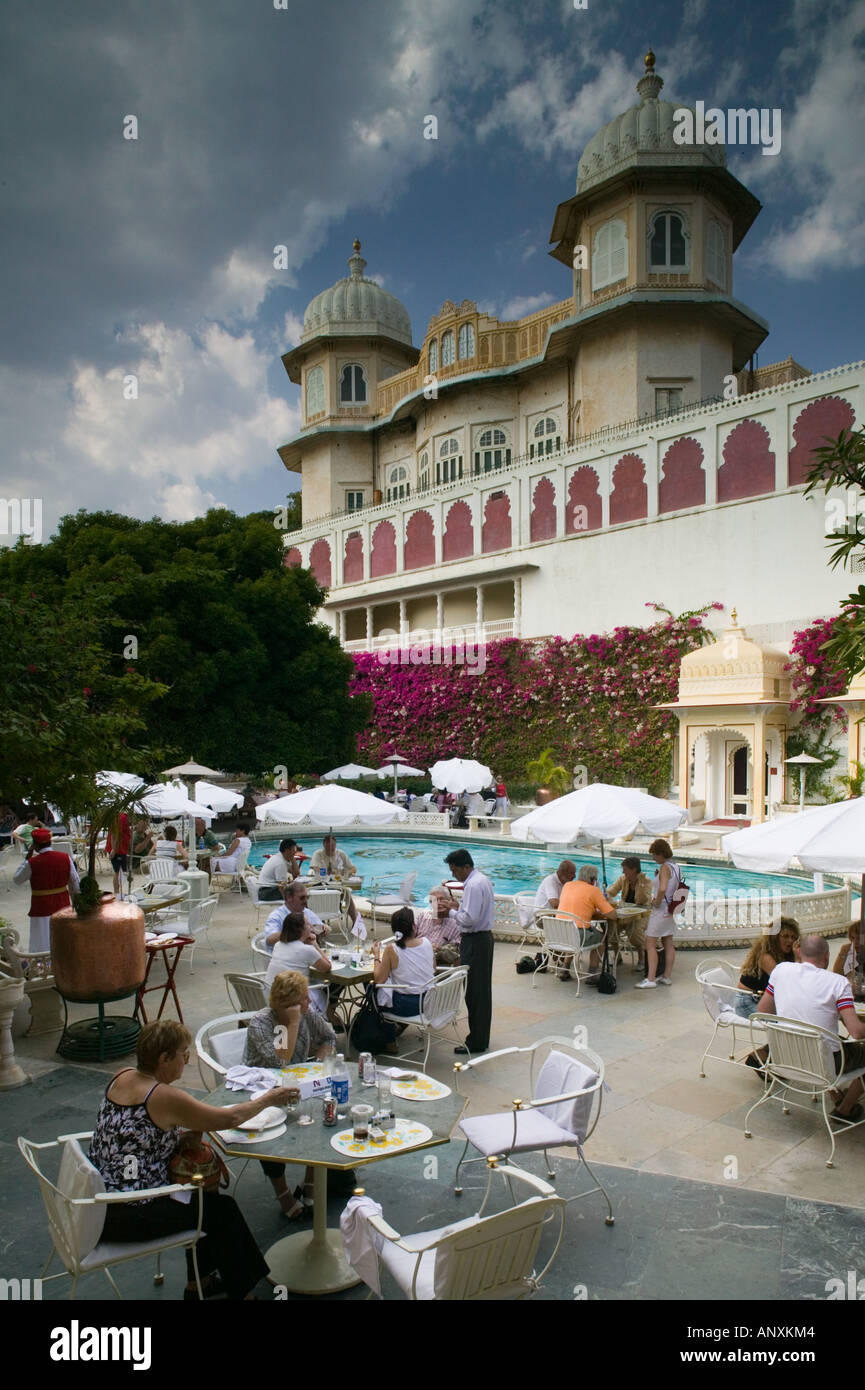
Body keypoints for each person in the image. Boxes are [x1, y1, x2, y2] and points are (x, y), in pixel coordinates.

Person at [89, 1019, 295, 1296]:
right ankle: (244, 1293)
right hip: (128, 1213)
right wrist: (269, 1099)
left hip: (99, 1201)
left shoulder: (121, 1076)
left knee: (202, 1196)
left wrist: (175, 1140)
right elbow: (229, 1117)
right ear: (164, 1058)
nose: (186, 1061)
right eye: (183, 1054)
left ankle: (199, 1284)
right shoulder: (163, 1096)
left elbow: (132, 1137)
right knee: (222, 1211)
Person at [243, 971, 337, 1218]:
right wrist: (293, 1023)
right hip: (261, 1092)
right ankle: (283, 1192)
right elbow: (279, 1060)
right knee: (270, 1137)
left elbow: (329, 1035)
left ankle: (310, 1181)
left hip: (299, 1085)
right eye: (304, 1000)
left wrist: (320, 1060)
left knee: (325, 1113)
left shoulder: (306, 1014)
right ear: (287, 1004)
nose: (309, 1004)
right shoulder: (261, 1023)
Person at [757, 934, 865, 1121]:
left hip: (785, 1057)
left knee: (827, 1042)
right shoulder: (838, 983)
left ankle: (837, 1095)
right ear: (826, 956)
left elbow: (763, 1011)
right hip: (824, 1064)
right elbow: (856, 1031)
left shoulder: (781, 971)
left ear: (799, 952)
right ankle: (845, 1109)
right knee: (839, 1047)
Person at [443, 849, 495, 1054]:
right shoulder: (482, 880)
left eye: (455, 870)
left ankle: (477, 1041)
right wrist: (459, 907)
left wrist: (452, 912)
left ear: (466, 866)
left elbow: (469, 919)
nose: (454, 875)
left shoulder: (473, 884)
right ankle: (480, 1037)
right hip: (483, 939)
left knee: (475, 992)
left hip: (475, 940)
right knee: (481, 991)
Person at [14, 827, 80, 952]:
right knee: (62, 939)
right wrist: (77, 903)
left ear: (35, 844)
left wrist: (27, 859)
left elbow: (17, 880)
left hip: (41, 906)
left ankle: (41, 965)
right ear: (50, 841)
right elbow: (75, 883)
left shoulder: (32, 863)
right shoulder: (65, 858)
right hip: (62, 904)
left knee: (41, 941)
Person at [635, 838, 682, 990]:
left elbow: (662, 889)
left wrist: (656, 902)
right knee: (668, 942)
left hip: (661, 909)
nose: (653, 858)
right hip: (670, 909)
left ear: (661, 854)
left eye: (654, 855)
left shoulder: (664, 868)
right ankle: (666, 976)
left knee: (650, 943)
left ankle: (650, 979)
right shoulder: (676, 867)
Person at [556, 864, 616, 978]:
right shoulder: (594, 890)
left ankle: (565, 968)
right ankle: (592, 973)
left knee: (572, 930)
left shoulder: (567, 885)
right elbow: (612, 915)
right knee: (602, 938)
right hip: (576, 936)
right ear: (593, 879)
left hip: (559, 933)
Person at [373, 907, 436, 1016]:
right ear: (413, 927)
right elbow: (433, 968)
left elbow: (379, 979)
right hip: (430, 1001)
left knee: (371, 989)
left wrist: (377, 956)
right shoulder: (427, 942)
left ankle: (382, 1029)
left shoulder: (392, 949)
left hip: (407, 1005)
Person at [736, 918, 801, 1019]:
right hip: (747, 1001)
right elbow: (784, 982)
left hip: (763, 999)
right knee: (784, 1022)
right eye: (785, 936)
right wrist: (798, 960)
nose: (790, 940)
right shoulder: (765, 956)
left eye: (793, 937)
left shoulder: (786, 955)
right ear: (774, 938)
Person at [264, 911, 332, 1004]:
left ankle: (330, 1014)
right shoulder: (307, 950)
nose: (311, 927)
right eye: (308, 925)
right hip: (291, 1002)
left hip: (271, 997)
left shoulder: (278, 944)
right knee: (327, 988)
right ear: (301, 929)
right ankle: (329, 1014)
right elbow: (327, 967)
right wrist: (314, 945)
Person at [607, 856, 653, 959]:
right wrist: (606, 895)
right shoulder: (623, 879)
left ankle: (641, 958)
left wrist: (640, 883)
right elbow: (611, 892)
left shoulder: (647, 881)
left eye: (625, 869)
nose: (623, 872)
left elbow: (641, 901)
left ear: (634, 870)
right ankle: (617, 956)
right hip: (624, 913)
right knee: (611, 928)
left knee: (635, 934)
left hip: (642, 914)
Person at [265, 880, 330, 945]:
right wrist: (296, 932)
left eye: (307, 897)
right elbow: (269, 940)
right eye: (302, 898)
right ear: (289, 897)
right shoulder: (277, 915)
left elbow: (321, 928)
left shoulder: (306, 912)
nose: (306, 901)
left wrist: (325, 929)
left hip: (307, 951)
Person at [105, 811, 131, 896]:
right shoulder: (122, 817)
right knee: (118, 872)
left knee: (120, 872)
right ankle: (117, 893)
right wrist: (114, 849)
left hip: (120, 848)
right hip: (118, 849)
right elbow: (115, 833)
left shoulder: (122, 817)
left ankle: (117, 892)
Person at [833, 923, 863, 990]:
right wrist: (843, 954)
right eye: (852, 938)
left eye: (859, 938)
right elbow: (836, 975)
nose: (855, 942)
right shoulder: (848, 949)